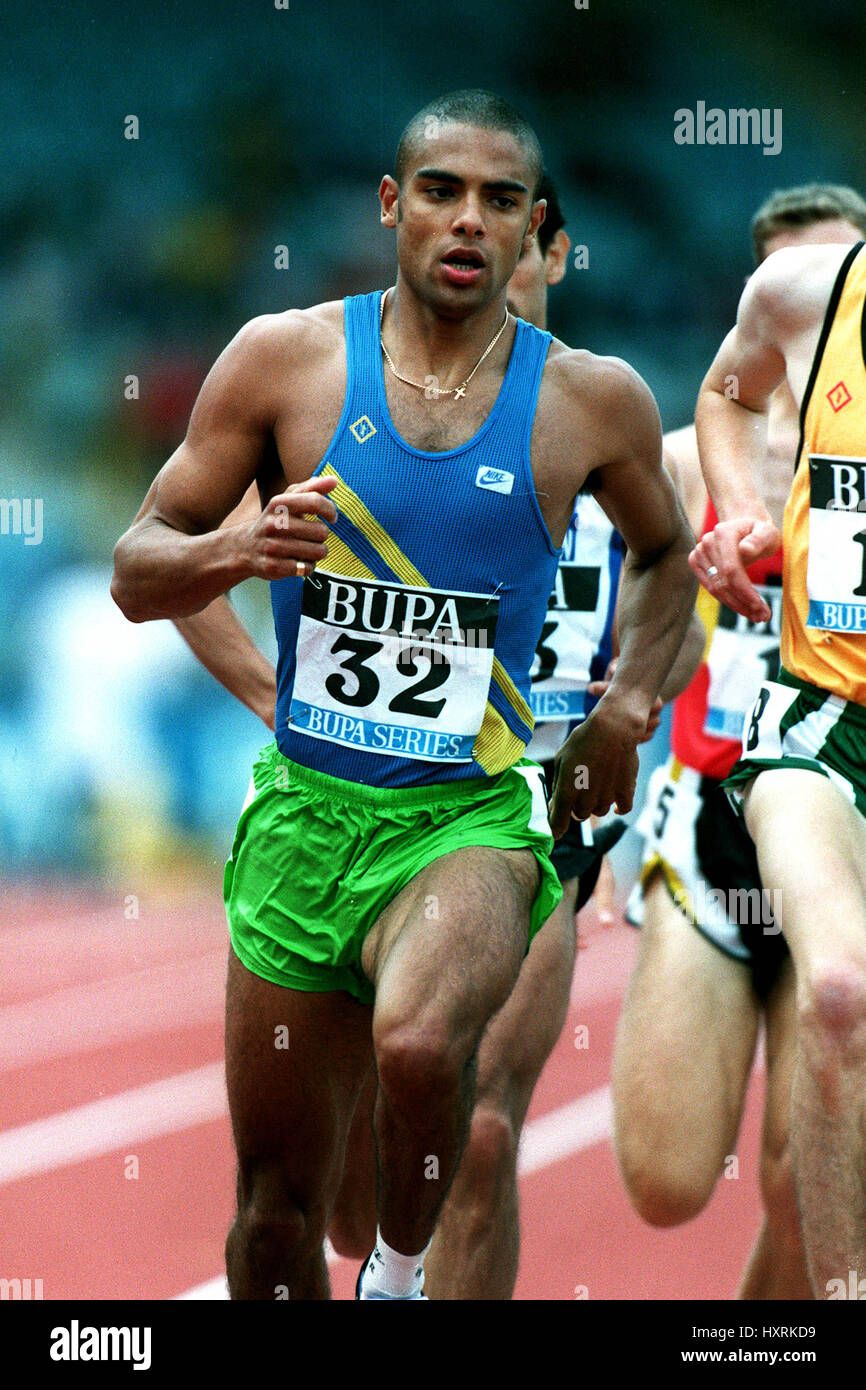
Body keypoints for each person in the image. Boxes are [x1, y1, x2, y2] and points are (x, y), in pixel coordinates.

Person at [111, 89, 696, 1301]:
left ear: (536, 227)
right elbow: (137, 567)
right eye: (439, 191)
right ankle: (354, 1252)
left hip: (468, 818)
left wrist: (623, 714)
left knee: (425, 1046)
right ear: (391, 206)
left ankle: (398, 1277)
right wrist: (239, 555)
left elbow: (665, 555)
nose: (466, 221)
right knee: (275, 1218)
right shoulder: (285, 360)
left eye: (498, 200)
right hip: (306, 820)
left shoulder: (591, 399)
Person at [614, 185, 866, 1300]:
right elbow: (621, 633)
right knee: (665, 1179)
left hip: (819, 778)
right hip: (709, 822)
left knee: (795, 1166)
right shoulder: (675, 462)